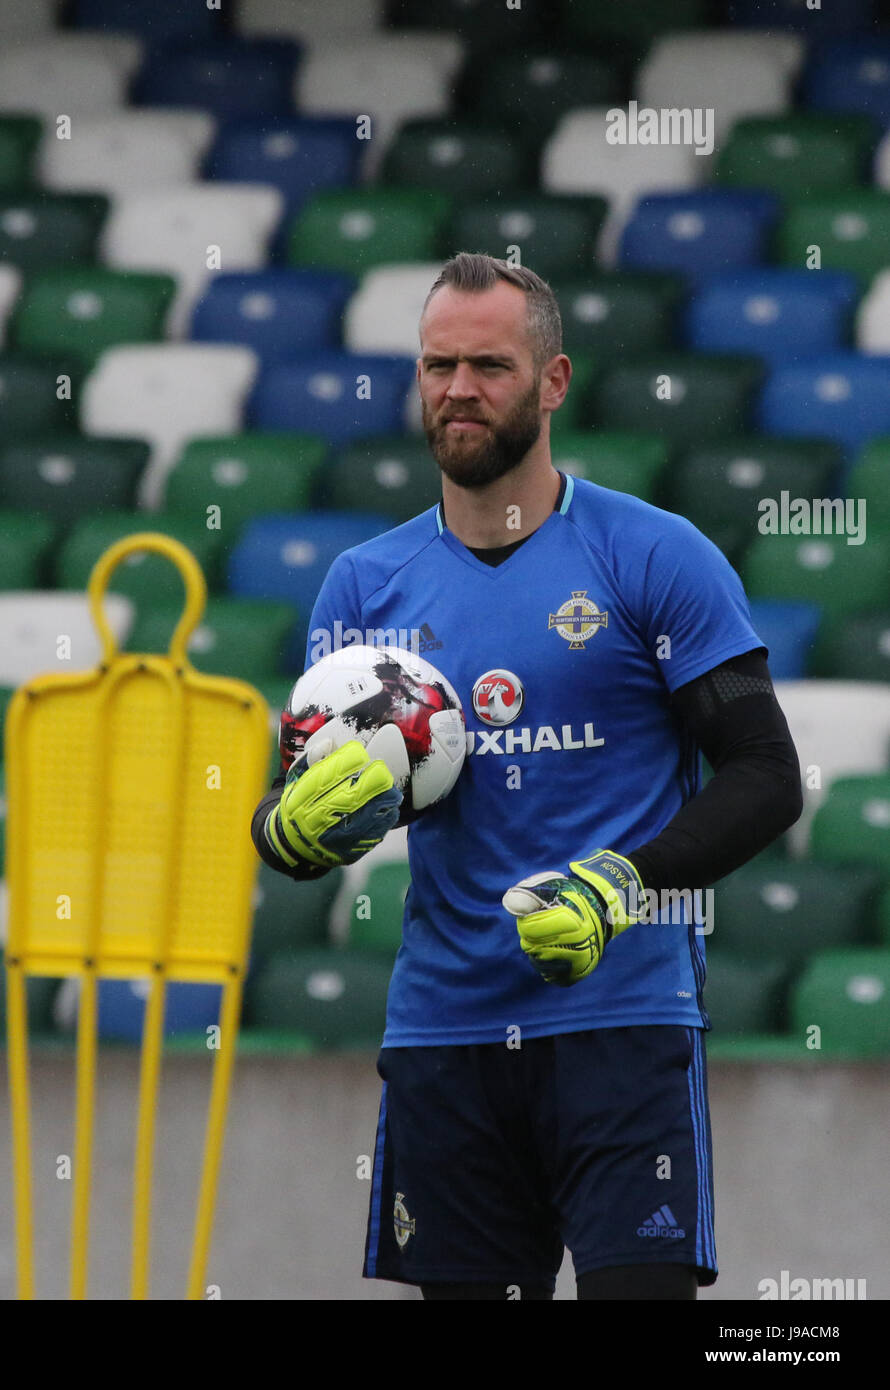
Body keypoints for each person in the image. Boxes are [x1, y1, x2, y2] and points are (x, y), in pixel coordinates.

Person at [250, 252, 802, 1300]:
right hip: (445, 1037)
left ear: (552, 382)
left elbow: (768, 773)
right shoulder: (362, 587)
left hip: (621, 1028)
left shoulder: (655, 555)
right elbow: (314, 809)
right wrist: (285, 833)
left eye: (489, 366)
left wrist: (623, 881)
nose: (458, 389)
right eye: (437, 365)